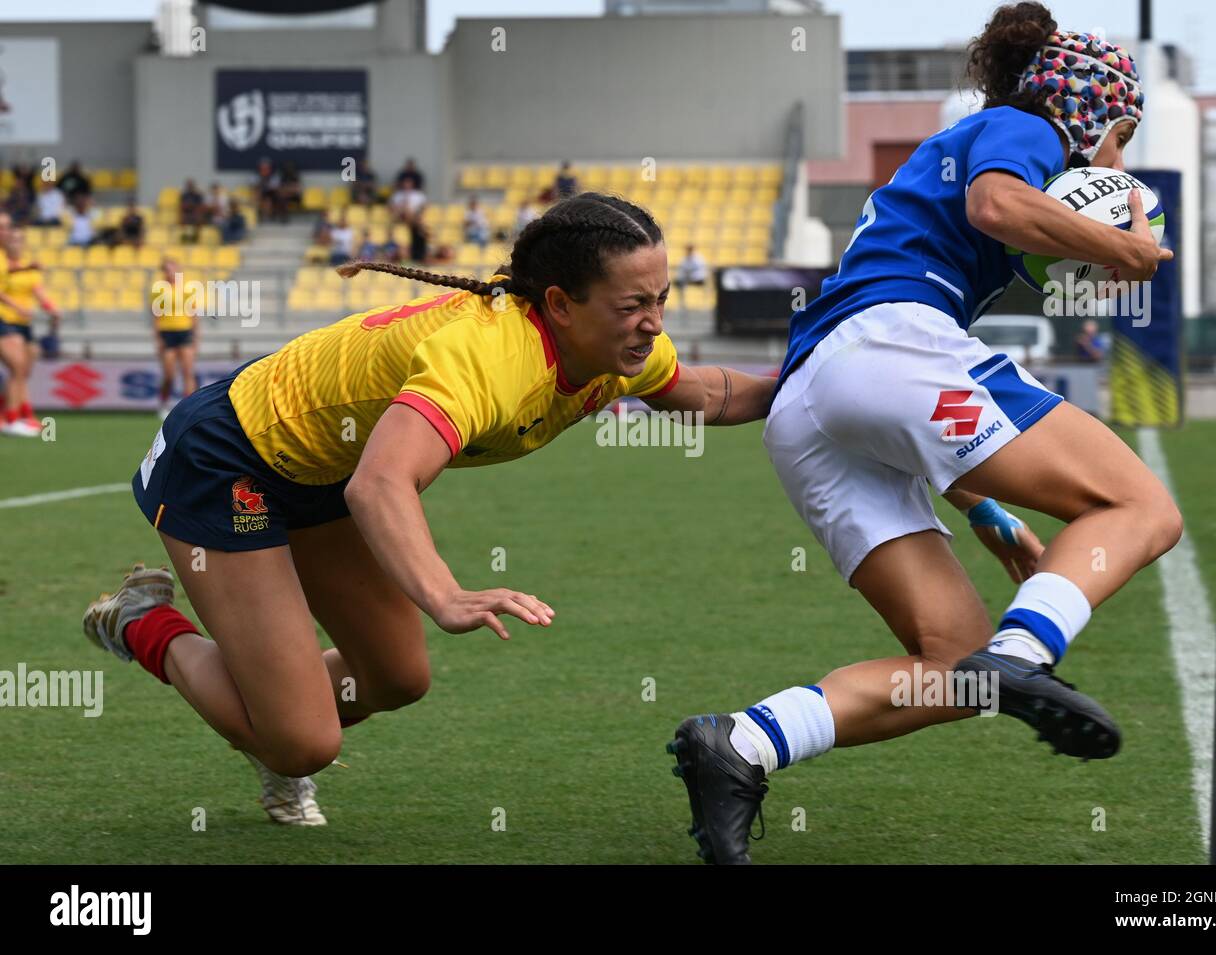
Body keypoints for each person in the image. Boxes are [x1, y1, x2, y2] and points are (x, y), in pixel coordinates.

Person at [668, 2, 1181, 864]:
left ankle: (743, 744)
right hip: (888, 346)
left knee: (951, 663)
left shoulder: (969, 150)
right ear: (1088, 107)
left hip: (811, 405)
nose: (1119, 161)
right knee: (1141, 506)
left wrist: (984, 513)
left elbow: (897, 395)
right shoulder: (1025, 125)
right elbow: (995, 205)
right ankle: (1026, 654)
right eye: (1119, 135)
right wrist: (1118, 248)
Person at [82, 193, 776, 826]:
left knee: (395, 677)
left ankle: (271, 706)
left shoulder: (617, 347)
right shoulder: (492, 359)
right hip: (230, 458)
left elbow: (704, 393)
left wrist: (807, 377)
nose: (652, 324)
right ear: (560, 303)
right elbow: (381, 484)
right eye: (631, 306)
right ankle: (145, 623)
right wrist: (445, 594)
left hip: (325, 466)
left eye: (660, 299)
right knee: (303, 743)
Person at [0, 225, 61, 436]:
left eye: (19, 240)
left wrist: (52, 308)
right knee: (17, 368)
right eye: (12, 239)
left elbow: (39, 292)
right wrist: (17, 307)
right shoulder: (4, 262)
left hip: (25, 324)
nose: (15, 243)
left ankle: (24, 414)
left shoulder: (26, 269)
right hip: (6, 320)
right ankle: (10, 417)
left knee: (24, 371)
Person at [152, 257, 200, 418]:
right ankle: (164, 403)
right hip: (167, 333)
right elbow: (156, 315)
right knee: (169, 374)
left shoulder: (187, 289)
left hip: (184, 331)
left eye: (172, 268)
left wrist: (196, 337)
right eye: (166, 269)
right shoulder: (159, 290)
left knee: (187, 372)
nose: (170, 272)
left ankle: (190, 407)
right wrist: (158, 339)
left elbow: (193, 314)